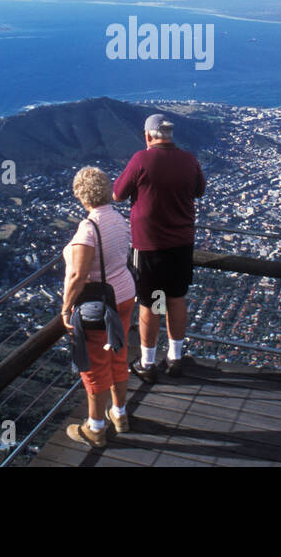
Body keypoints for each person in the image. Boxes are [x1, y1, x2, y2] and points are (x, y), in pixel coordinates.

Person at [113, 113, 205, 381]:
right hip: (182, 244)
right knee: (176, 298)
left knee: (151, 303)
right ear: (170, 135)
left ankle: (148, 362)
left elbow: (117, 193)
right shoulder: (189, 159)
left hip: (149, 245)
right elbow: (199, 190)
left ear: (148, 136)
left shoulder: (141, 159)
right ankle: (175, 357)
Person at [61, 166, 136, 449]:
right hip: (125, 295)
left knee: (94, 365)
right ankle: (120, 414)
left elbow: (79, 276)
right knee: (118, 353)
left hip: (99, 307)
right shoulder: (118, 219)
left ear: (81, 195)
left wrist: (65, 309)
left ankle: (95, 427)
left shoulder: (87, 228)